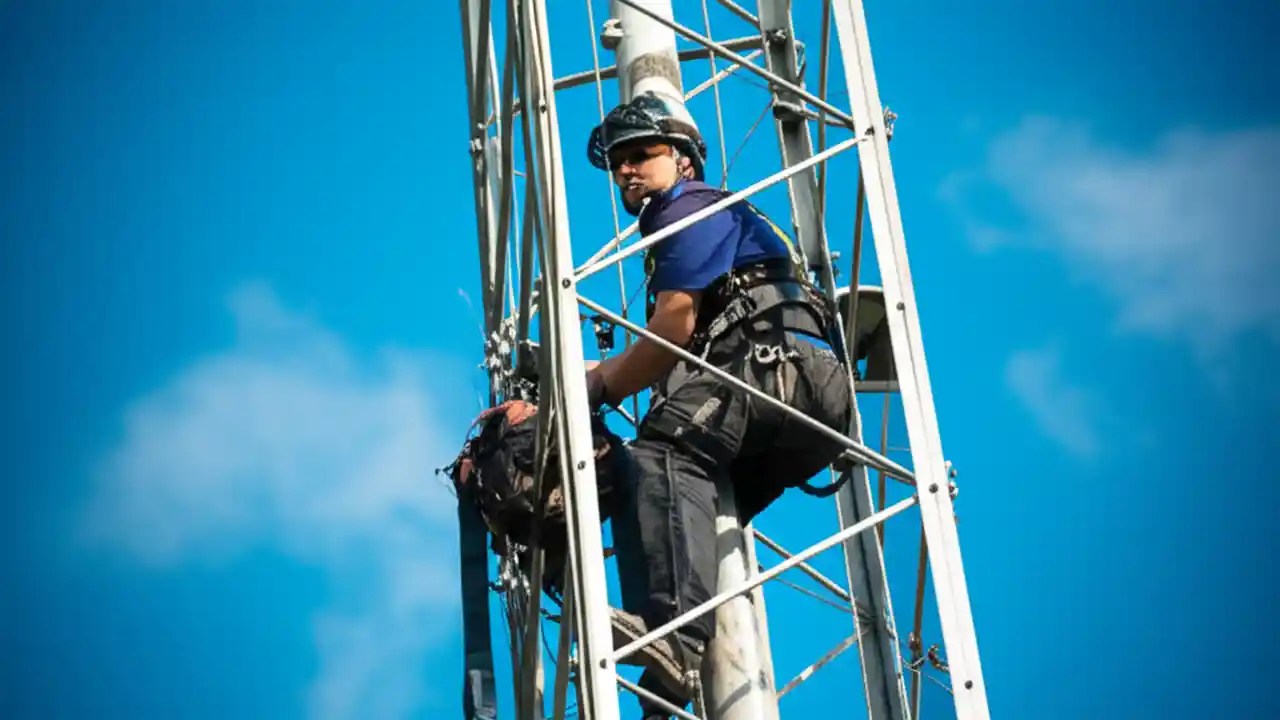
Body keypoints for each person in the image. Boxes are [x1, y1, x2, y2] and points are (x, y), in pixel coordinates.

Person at [583, 92, 854, 717]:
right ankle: (675, 679)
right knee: (685, 509)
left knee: (661, 455)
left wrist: (599, 385)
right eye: (618, 160)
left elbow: (675, 325)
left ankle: (673, 646)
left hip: (771, 370)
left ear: (682, 160)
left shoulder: (688, 207)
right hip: (805, 400)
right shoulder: (713, 218)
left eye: (642, 154)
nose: (627, 169)